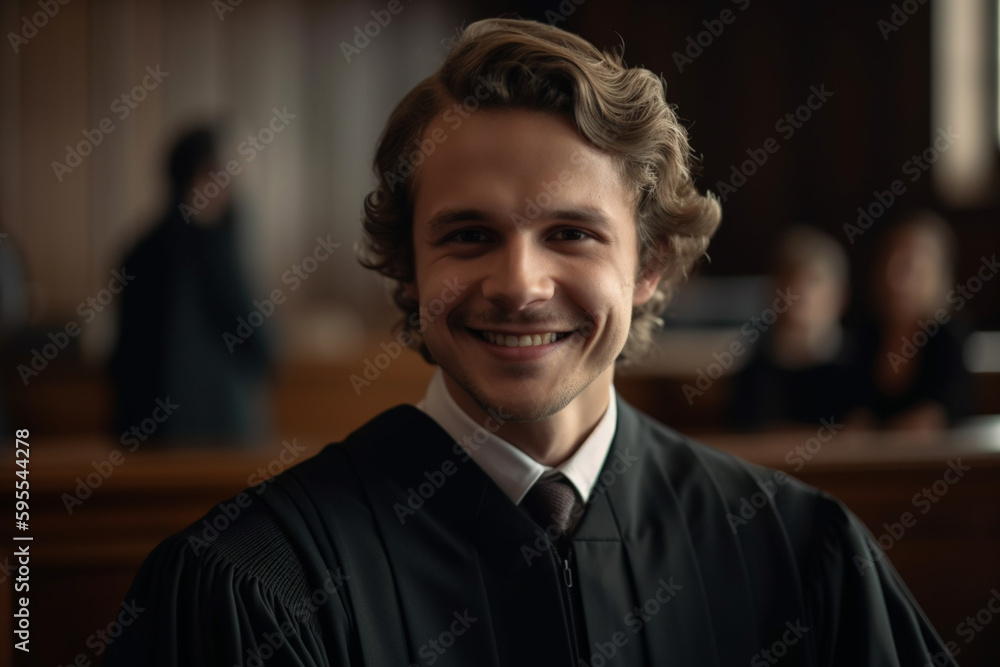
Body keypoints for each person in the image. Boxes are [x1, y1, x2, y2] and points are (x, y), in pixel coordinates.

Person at [105, 18, 955, 666]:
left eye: (573, 234)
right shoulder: (254, 585)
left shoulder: (800, 555)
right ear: (408, 266)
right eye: (468, 235)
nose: (518, 284)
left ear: (650, 264)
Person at [108, 127, 274, 443]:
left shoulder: (138, 248)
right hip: (213, 435)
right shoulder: (210, 247)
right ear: (204, 176)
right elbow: (256, 339)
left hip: (142, 433)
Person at [847, 210, 973, 430]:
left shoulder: (948, 338)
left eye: (907, 266)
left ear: (935, 273)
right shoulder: (866, 333)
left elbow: (935, 418)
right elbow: (853, 414)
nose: (893, 277)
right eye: (888, 261)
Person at [728, 226, 855, 429]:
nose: (799, 292)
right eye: (790, 280)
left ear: (840, 295)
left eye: (814, 280)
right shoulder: (756, 369)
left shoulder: (857, 365)